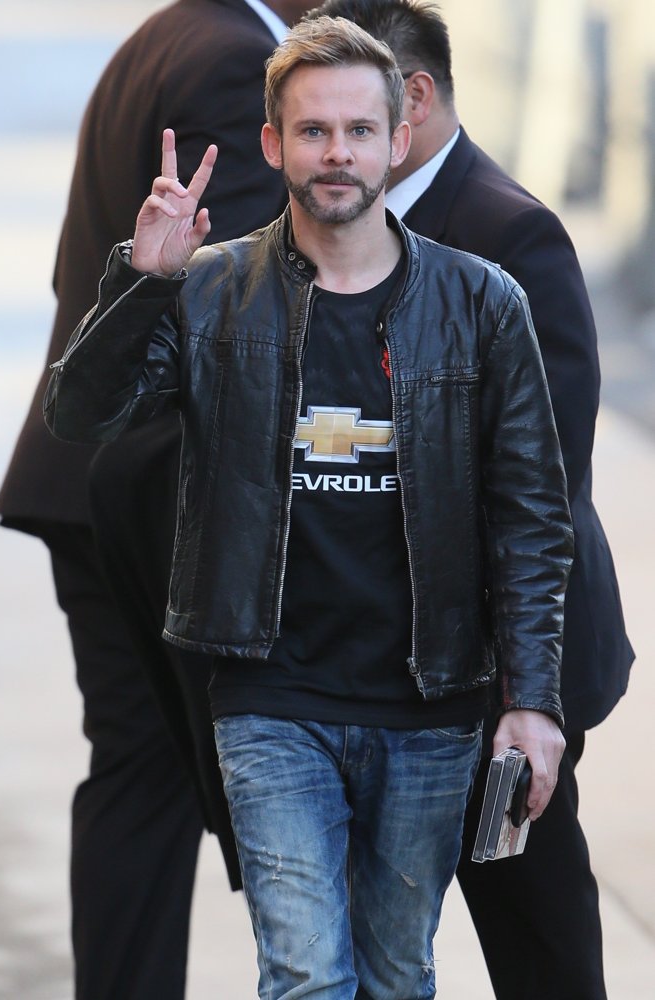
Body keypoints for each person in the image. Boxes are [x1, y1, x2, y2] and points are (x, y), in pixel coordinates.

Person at [44, 16, 573, 998]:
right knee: (303, 971)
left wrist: (532, 700)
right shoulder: (208, 295)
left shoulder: (481, 303)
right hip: (267, 699)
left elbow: (531, 516)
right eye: (313, 131)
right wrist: (140, 281)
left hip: (428, 706)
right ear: (271, 144)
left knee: (390, 969)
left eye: (357, 131)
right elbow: (84, 415)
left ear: (397, 137)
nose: (336, 154)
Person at [0, 2, 311, 997]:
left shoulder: (167, 36)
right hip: (143, 490)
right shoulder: (231, 66)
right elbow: (254, 306)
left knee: (139, 772)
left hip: (94, 474)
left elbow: (73, 266)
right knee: (155, 776)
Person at [306, 2, 635, 998]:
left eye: (352, 112)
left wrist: (515, 691)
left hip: (493, 672)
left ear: (408, 97)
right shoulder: (333, 218)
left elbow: (545, 481)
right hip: (375, 662)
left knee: (534, 937)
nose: (332, 139)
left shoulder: (509, 231)